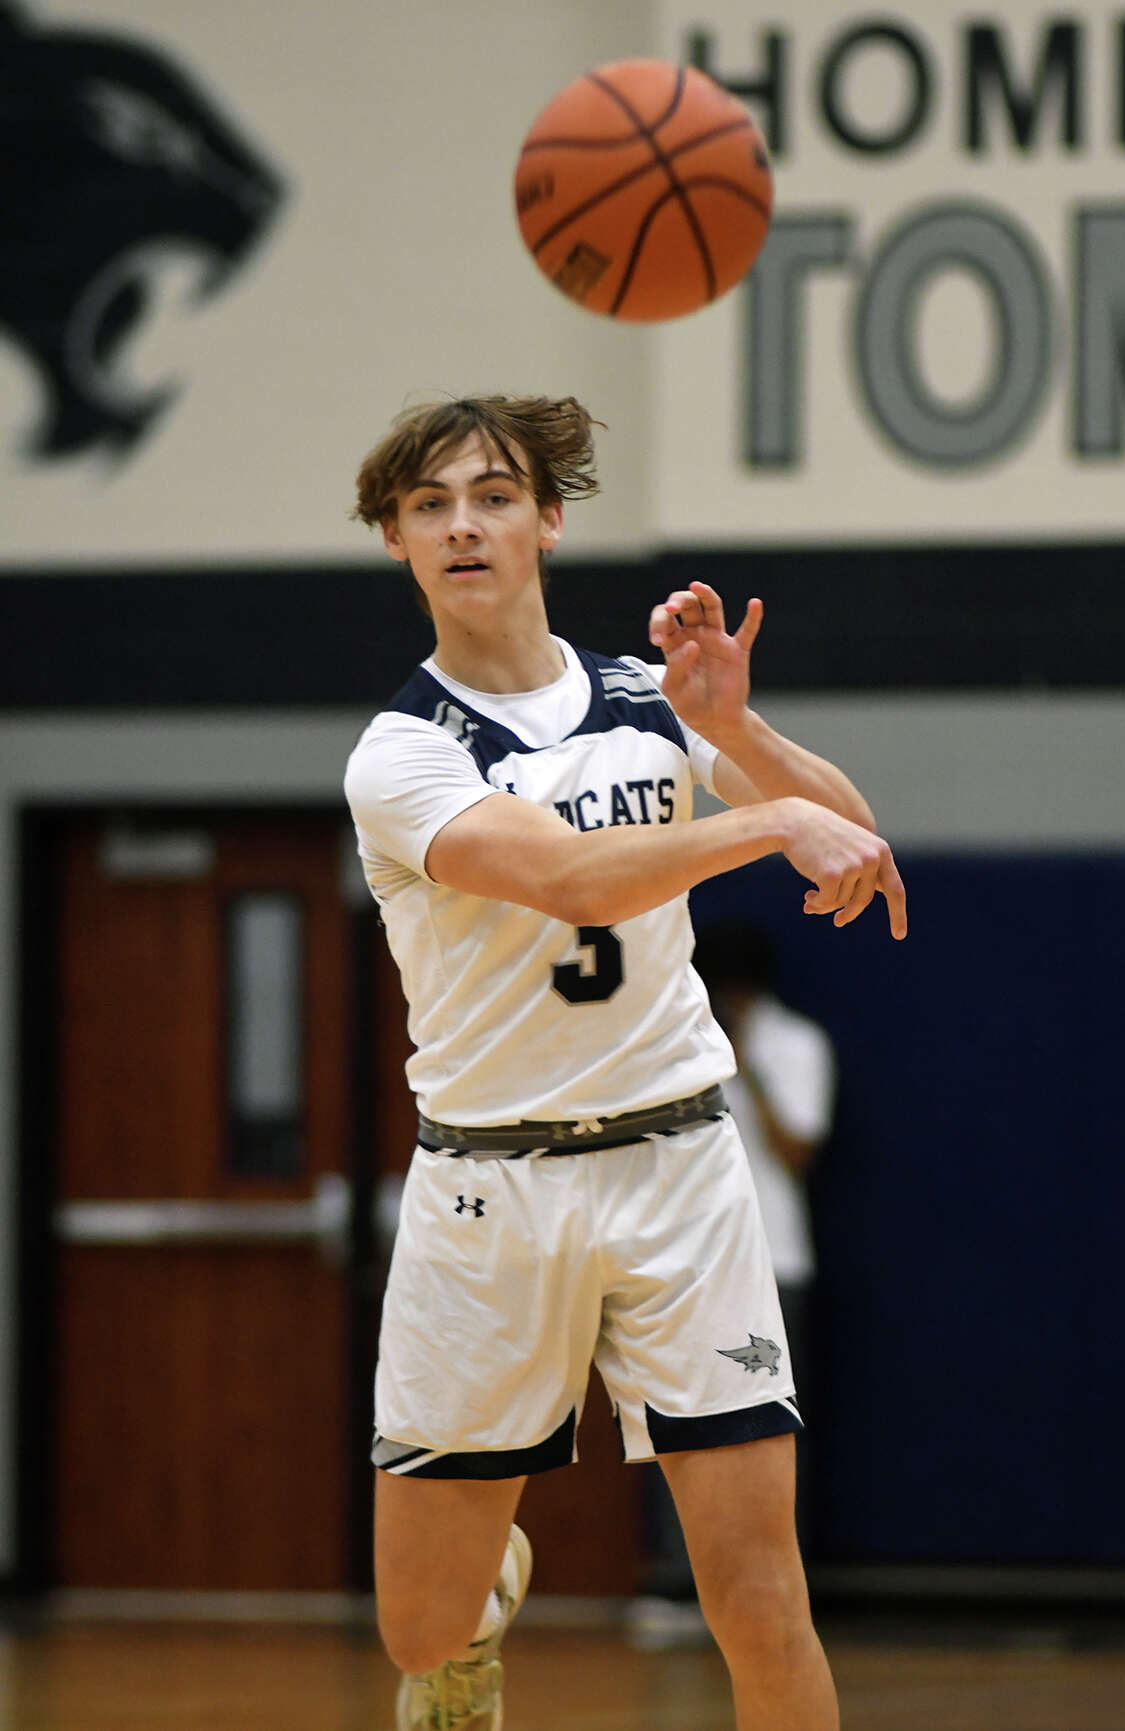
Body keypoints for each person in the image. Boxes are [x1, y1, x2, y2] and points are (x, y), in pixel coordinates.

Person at [343, 393, 906, 1731]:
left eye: (491, 494)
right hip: (491, 1189)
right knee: (416, 1622)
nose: (464, 523)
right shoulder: (401, 755)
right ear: (396, 542)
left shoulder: (654, 697)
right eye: (430, 504)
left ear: (548, 518)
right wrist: (761, 817)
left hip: (678, 1163)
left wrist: (746, 733)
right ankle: (477, 1612)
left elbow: (858, 834)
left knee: (762, 1596)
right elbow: (575, 880)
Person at [634, 921, 836, 1645]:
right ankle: (677, 1584)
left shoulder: (799, 1045)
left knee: (768, 1435)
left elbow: (798, 1149)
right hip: (686, 1267)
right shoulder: (672, 1042)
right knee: (675, 1428)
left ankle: (777, 1597)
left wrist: (746, 1065)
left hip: (774, 1264)